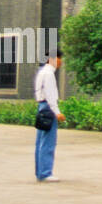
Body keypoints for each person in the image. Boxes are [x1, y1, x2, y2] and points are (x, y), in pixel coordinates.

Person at [34, 50, 65, 182]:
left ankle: (40, 172)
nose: (61, 61)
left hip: (42, 107)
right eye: (59, 58)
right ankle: (46, 173)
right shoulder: (49, 74)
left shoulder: (42, 72)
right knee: (48, 142)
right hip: (48, 108)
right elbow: (51, 95)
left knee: (40, 142)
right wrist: (57, 112)